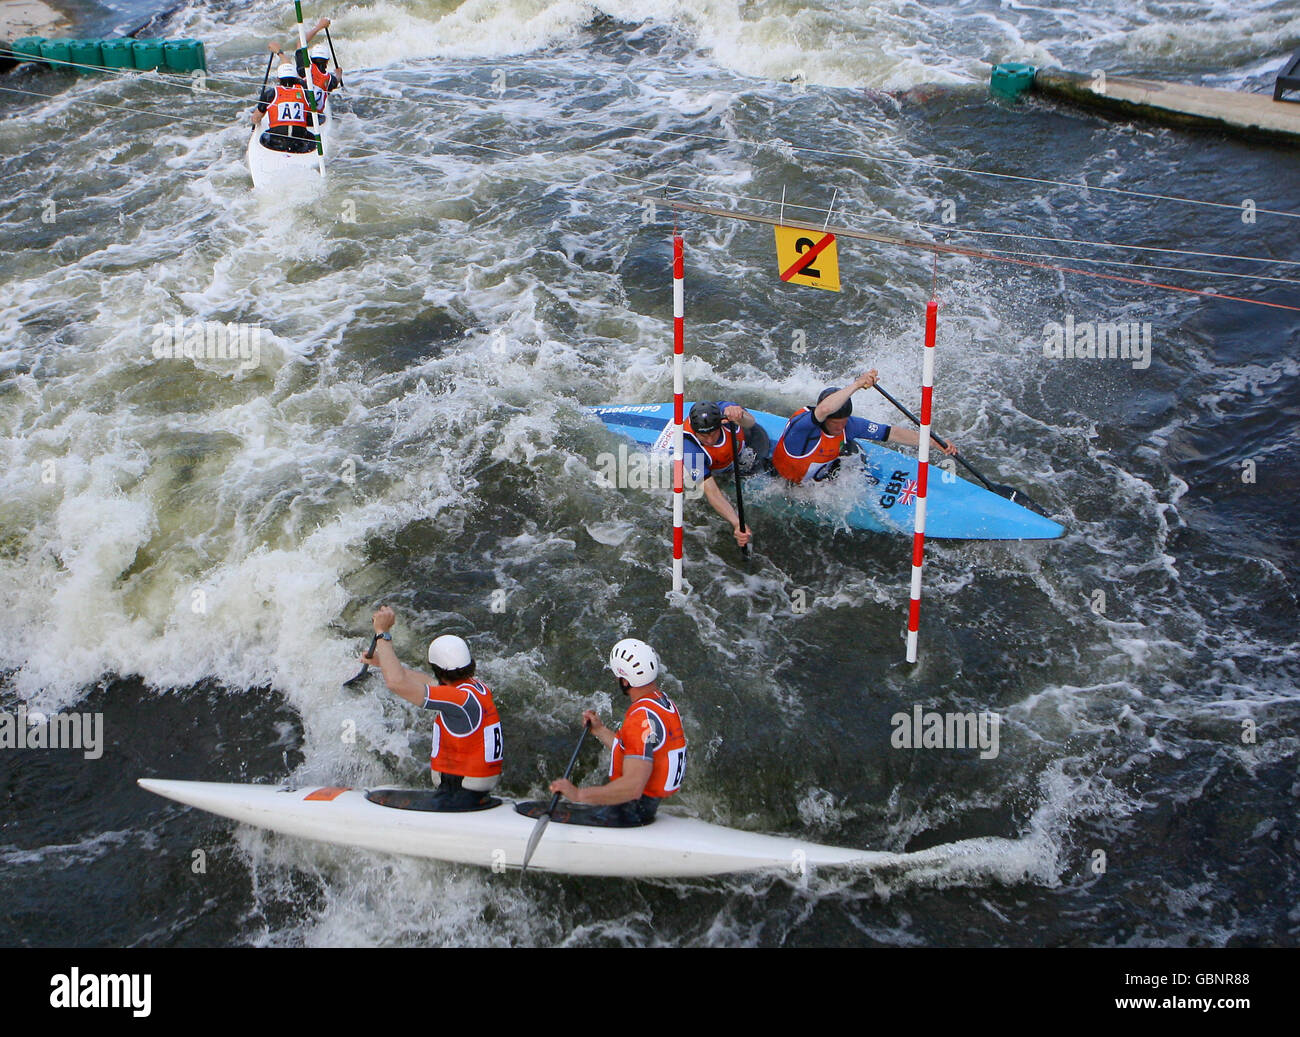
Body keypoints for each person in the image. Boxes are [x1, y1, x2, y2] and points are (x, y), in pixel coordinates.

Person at [517, 638, 686, 828]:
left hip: (628, 812)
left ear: (625, 680)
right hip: (648, 807)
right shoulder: (664, 704)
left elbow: (633, 787)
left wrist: (579, 795)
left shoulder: (640, 719)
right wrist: (599, 730)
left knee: (523, 811)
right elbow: (638, 748)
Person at [362, 606, 503, 811]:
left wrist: (382, 633)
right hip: (474, 789)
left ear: (436, 667)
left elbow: (397, 683)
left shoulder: (458, 699)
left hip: (459, 793)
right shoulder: (474, 689)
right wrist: (382, 662)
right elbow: (425, 683)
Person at [771, 369, 958, 484]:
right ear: (824, 417)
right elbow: (826, 407)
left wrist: (932, 442)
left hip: (820, 472)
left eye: (844, 422)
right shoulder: (802, 429)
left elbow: (892, 433)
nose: (840, 427)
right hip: (784, 481)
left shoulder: (849, 425)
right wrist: (859, 384)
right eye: (835, 423)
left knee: (853, 450)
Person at [682, 400, 771, 549]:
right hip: (718, 470)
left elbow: (750, 423)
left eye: (713, 433)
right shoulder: (690, 449)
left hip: (746, 448)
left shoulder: (725, 413)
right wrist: (736, 523)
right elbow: (713, 493)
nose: (710, 440)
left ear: (721, 423)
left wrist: (741, 415)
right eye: (703, 436)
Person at [267, 18, 340, 123]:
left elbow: (301, 43)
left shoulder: (305, 69)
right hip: (315, 118)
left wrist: (319, 26)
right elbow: (336, 81)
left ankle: (278, 52)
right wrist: (338, 73)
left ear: (311, 58)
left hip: (301, 114)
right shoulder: (330, 80)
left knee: (289, 71)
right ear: (327, 61)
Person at [249, 61, 317, 154]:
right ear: (295, 78)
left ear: (278, 79)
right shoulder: (305, 92)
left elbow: (255, 119)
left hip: (276, 141)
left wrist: (256, 122)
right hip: (299, 141)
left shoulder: (270, 93)